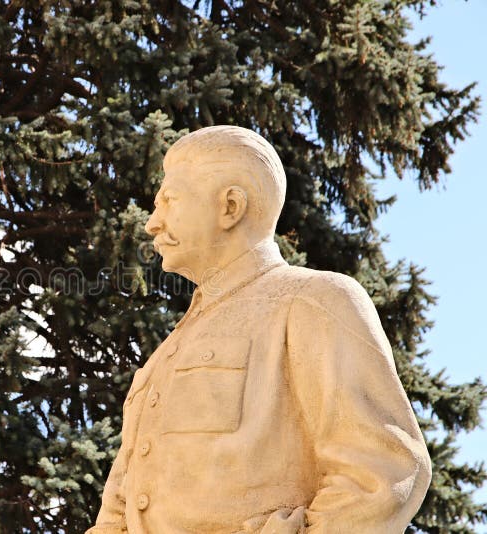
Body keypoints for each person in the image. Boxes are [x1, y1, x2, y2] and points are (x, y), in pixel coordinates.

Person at [87, 126, 432, 533]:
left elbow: (382, 471)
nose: (152, 223)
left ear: (230, 206)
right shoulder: (166, 353)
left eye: (169, 202)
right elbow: (118, 510)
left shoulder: (313, 299)